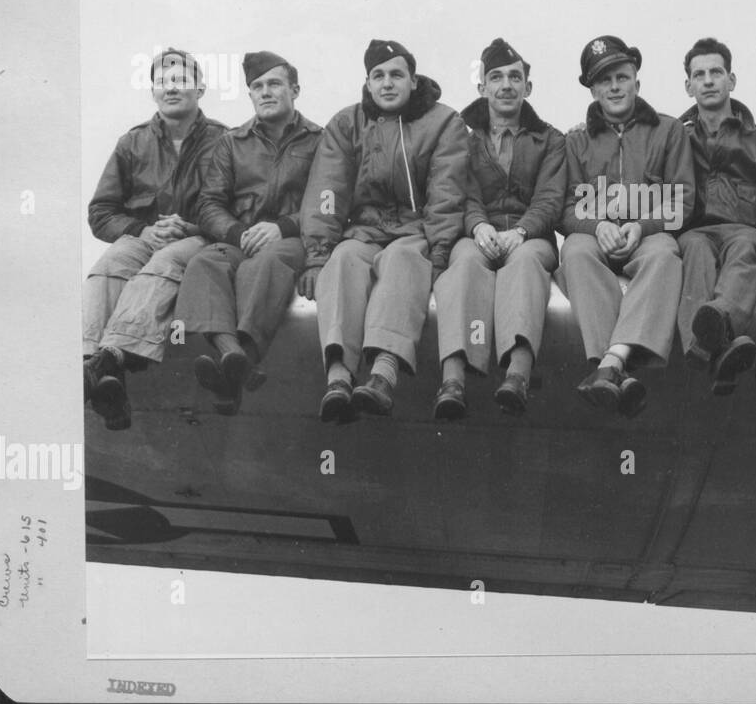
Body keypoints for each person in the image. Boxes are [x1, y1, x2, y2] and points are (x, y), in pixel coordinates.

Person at [298, 39, 469, 422]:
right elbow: (328, 191)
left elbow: (446, 191)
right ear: (368, 83)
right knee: (341, 262)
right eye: (378, 76)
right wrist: (317, 255)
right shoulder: (347, 123)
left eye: (396, 74)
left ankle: (383, 374)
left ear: (412, 80)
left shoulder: (444, 122)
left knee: (402, 261)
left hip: (415, 228)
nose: (387, 83)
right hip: (364, 229)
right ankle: (339, 378)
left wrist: (439, 251)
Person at [82, 48, 227, 430]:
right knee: (110, 264)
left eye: (180, 80)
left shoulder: (226, 142)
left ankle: (109, 359)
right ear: (152, 92)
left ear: (200, 88)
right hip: (143, 236)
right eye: (162, 82)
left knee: (163, 265)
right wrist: (142, 230)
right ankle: (95, 372)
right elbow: (101, 213)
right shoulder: (132, 144)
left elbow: (240, 207)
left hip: (199, 239)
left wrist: (195, 227)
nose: (171, 89)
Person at [174, 51, 323, 414]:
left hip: (291, 239)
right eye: (257, 86)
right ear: (250, 94)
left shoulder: (321, 140)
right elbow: (209, 203)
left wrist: (283, 226)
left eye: (275, 84)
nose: (265, 92)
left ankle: (237, 365)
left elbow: (329, 201)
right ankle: (234, 356)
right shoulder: (232, 142)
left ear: (295, 90)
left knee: (267, 264)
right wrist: (239, 232)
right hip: (240, 237)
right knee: (204, 263)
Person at [558, 35, 694, 416]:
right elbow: (565, 208)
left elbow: (683, 201)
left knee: (666, 254)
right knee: (574, 250)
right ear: (592, 89)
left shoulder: (669, 131)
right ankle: (620, 371)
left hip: (646, 237)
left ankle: (609, 363)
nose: (614, 87)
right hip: (598, 241)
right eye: (604, 80)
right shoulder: (576, 141)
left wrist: (642, 226)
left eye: (622, 76)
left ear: (637, 80)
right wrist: (595, 224)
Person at [431, 38, 566, 419]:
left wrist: (521, 232)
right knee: (464, 268)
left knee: (525, 266)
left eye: (515, 77)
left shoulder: (551, 140)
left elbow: (550, 198)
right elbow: (462, 187)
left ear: (528, 87)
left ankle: (517, 374)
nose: (506, 85)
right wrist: (477, 226)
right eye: (496, 77)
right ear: (482, 87)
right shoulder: (462, 137)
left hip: (531, 237)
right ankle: (454, 378)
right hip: (476, 233)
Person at [676, 37, 756, 395]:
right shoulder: (676, 138)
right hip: (695, 230)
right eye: (698, 74)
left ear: (731, 81)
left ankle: (713, 326)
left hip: (743, 228)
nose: (708, 80)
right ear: (688, 86)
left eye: (716, 72)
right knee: (693, 252)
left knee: (746, 246)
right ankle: (713, 345)